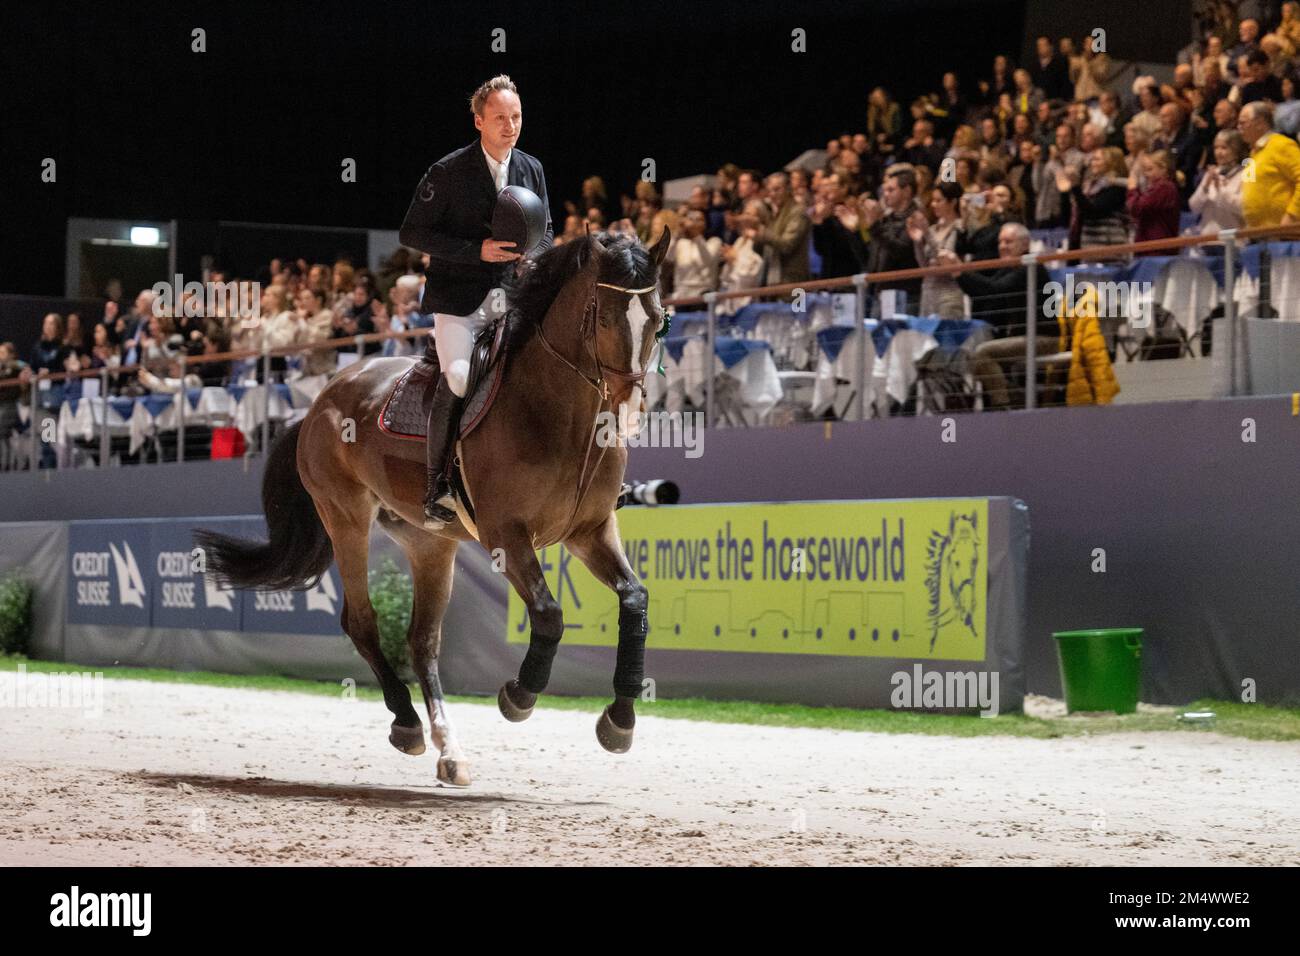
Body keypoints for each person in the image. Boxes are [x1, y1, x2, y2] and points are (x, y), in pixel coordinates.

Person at [398, 74, 553, 525]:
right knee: (461, 379)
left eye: (517, 117)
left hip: (515, 297)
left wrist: (534, 257)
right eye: (501, 118)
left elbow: (546, 230)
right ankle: (436, 486)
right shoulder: (448, 172)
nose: (510, 126)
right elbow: (413, 232)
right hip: (460, 302)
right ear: (479, 120)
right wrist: (475, 251)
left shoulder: (532, 168)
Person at [1238, 100, 1300, 227]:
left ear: (1260, 123)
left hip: (1284, 235)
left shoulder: (1281, 144)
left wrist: (1292, 216)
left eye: (1243, 122)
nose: (1238, 127)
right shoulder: (1251, 155)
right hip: (1257, 235)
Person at [1061, 146, 1130, 248]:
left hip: (1108, 247)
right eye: (1092, 159)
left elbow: (1093, 211)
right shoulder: (1089, 187)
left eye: (1097, 159)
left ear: (1110, 162)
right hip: (1088, 244)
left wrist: (1075, 186)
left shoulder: (1116, 187)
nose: (1092, 163)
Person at [1188, 130, 1248, 233]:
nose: (1218, 152)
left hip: (1233, 239)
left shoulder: (1245, 174)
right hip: (1206, 238)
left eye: (1224, 148)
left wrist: (1220, 190)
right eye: (1216, 147)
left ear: (1236, 150)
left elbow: (1243, 208)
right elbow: (1194, 207)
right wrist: (1205, 187)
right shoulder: (1211, 173)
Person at [1126, 150, 1181, 248]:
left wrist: (1132, 189)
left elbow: (1137, 208)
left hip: (1157, 249)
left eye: (1150, 169)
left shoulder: (1165, 187)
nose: (1146, 174)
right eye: (1145, 170)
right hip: (1148, 246)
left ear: (1163, 169)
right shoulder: (1156, 187)